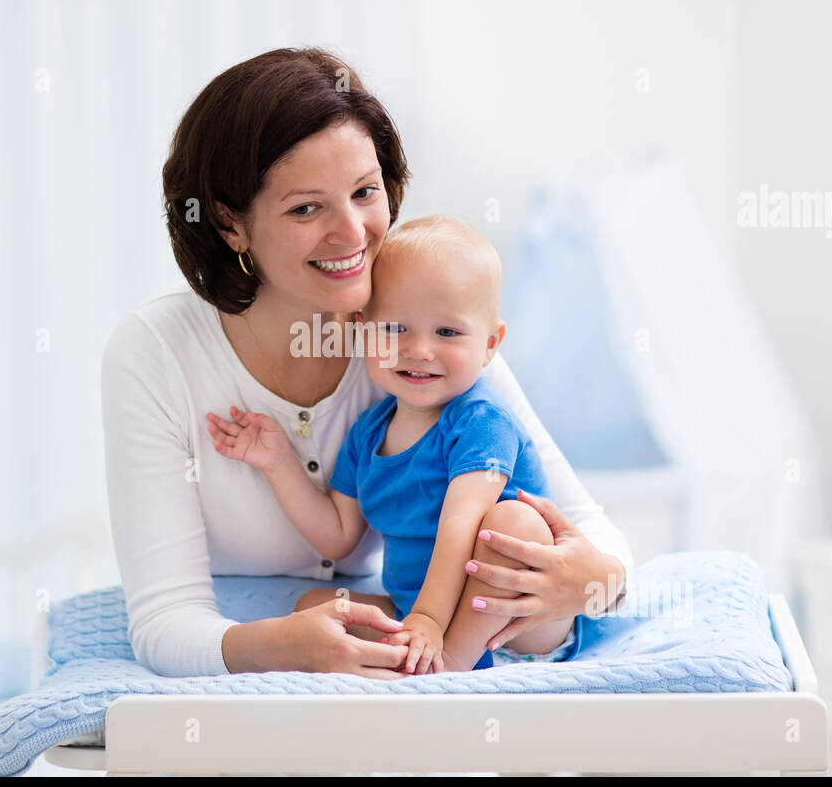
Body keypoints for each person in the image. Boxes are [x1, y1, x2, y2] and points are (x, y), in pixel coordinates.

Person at [101, 46, 631, 678]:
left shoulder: (428, 334)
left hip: (435, 635)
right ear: (229, 223)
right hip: (316, 645)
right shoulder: (155, 353)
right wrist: (288, 649)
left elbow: (594, 539)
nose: (352, 232)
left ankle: (449, 673)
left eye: (364, 192)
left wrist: (601, 583)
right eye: (305, 207)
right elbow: (165, 623)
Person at [205, 215, 571, 675]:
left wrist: (428, 619)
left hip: (518, 621)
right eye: (395, 329)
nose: (418, 349)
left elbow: (462, 523)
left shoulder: (481, 421)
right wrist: (278, 463)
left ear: (490, 343)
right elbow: (337, 537)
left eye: (447, 332)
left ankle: (449, 666)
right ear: (363, 331)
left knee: (512, 523)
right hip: (421, 612)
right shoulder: (370, 431)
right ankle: (414, 652)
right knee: (315, 607)